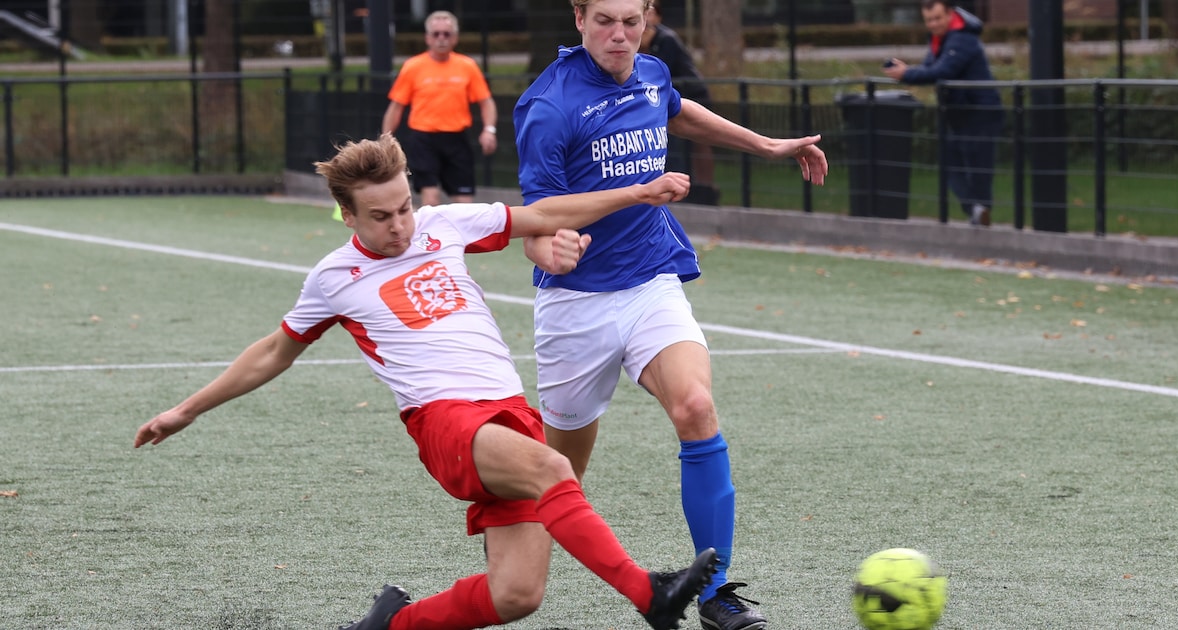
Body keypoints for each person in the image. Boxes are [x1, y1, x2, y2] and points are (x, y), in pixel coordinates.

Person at [133, 133, 719, 630]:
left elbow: (545, 216)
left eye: (404, 208)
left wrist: (638, 192)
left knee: (517, 594)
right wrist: (188, 409)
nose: (399, 226)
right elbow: (272, 352)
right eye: (380, 217)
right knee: (553, 469)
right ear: (348, 215)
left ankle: (389, 626)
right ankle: (650, 596)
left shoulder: (445, 224)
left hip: (509, 411)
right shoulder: (334, 277)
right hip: (444, 420)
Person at [513, 1, 828, 629]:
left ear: (648, 20)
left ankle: (715, 593)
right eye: (604, 20)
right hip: (575, 305)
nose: (619, 35)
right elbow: (536, 221)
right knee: (561, 470)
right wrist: (551, 248)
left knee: (696, 408)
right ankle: (512, 568)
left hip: (651, 283)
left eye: (631, 21)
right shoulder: (548, 105)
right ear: (579, 19)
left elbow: (677, 111)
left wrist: (765, 144)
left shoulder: (652, 73)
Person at [883, 0, 1003, 227]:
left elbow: (943, 71)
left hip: (980, 112)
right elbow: (930, 67)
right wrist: (907, 70)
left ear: (950, 15)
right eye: (929, 20)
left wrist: (907, 74)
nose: (933, 24)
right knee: (950, 164)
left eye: (937, 18)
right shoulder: (941, 38)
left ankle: (980, 210)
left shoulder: (963, 38)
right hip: (959, 113)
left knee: (977, 166)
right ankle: (976, 210)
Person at [381, 10, 497, 207]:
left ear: (455, 38)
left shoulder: (467, 66)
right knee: (431, 198)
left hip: (456, 139)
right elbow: (397, 106)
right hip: (424, 140)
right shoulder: (413, 66)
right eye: (436, 34)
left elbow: (486, 102)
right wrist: (386, 138)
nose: (441, 39)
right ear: (428, 38)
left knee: (464, 203)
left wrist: (489, 130)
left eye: (447, 34)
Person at [639, 0, 718, 205]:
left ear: (658, 17)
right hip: (670, 99)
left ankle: (705, 191)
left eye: (650, 12)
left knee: (700, 143)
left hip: (692, 94)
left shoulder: (666, 39)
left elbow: (656, 72)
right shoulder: (639, 39)